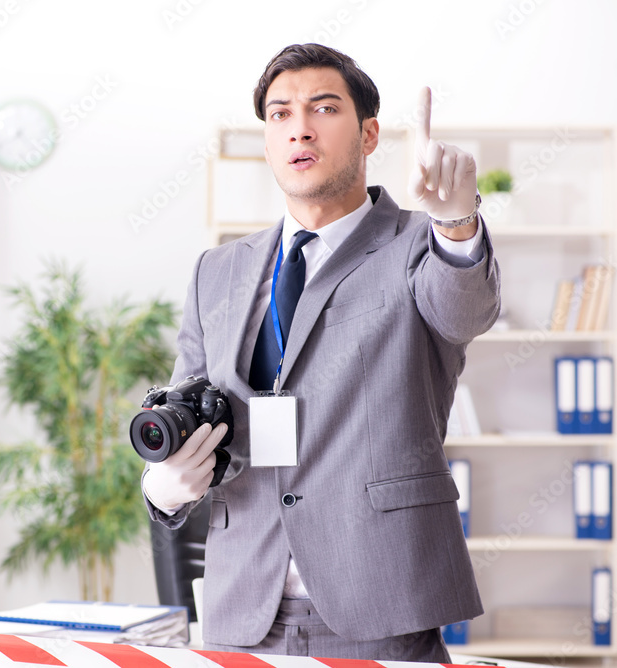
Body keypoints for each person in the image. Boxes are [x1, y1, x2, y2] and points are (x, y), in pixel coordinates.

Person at [141, 43, 500, 660]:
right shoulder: (218, 271)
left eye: (323, 108)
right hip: (241, 608)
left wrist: (457, 224)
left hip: (381, 600)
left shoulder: (419, 243)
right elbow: (185, 408)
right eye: (279, 115)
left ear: (368, 134)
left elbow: (464, 312)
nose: (299, 128)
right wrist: (163, 485)